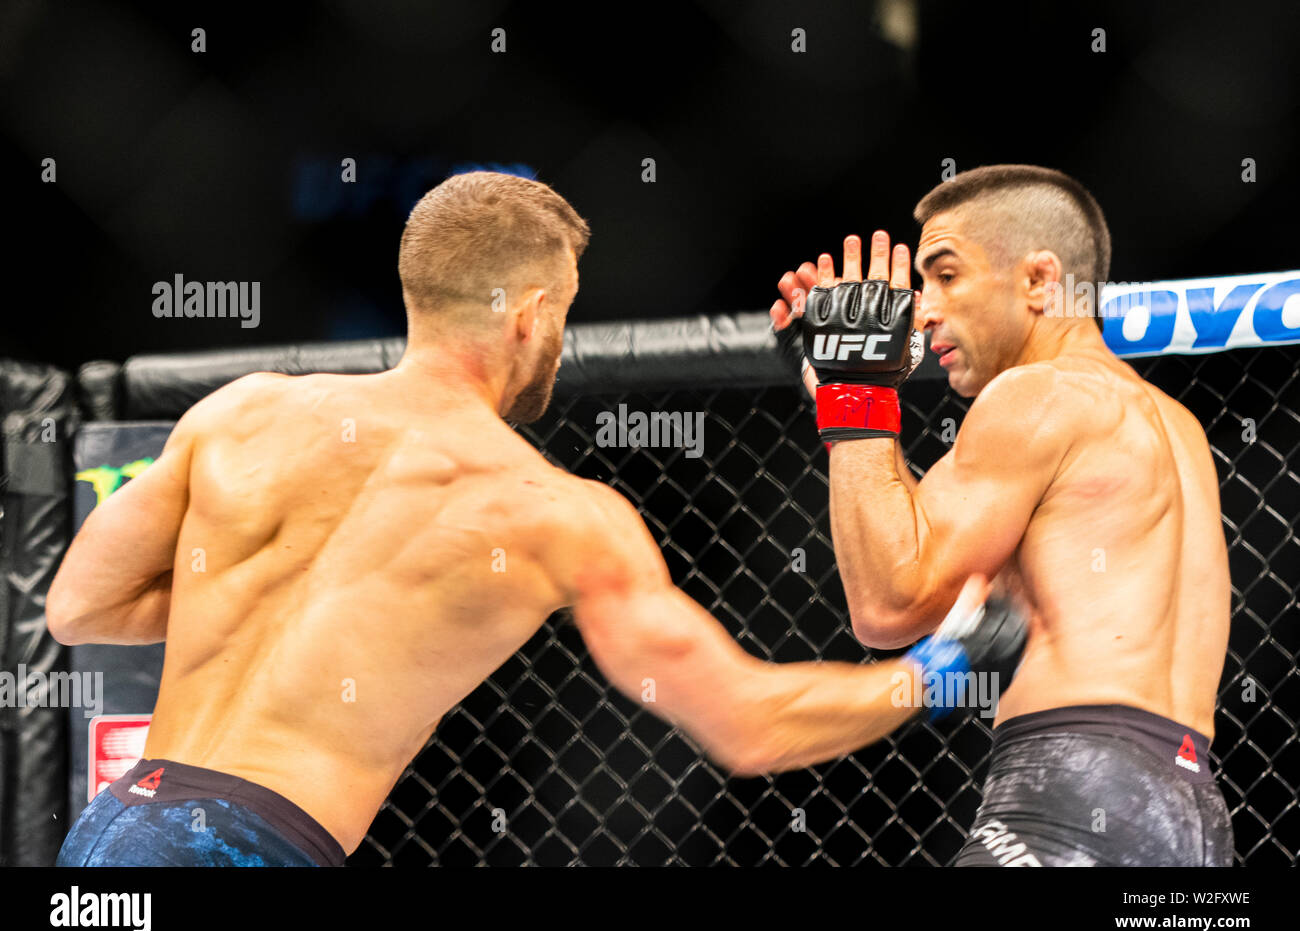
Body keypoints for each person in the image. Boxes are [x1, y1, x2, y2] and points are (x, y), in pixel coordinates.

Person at [49, 171, 1022, 867]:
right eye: (563, 314)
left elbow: (78, 606)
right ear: (530, 315)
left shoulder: (239, 412)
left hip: (110, 832)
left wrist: (266, 608)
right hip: (255, 844)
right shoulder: (550, 511)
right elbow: (744, 723)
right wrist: (934, 673)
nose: (558, 344)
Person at [771, 164, 1234, 866]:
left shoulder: (1035, 395)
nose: (922, 311)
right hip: (1188, 809)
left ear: (1040, 281)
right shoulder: (1176, 426)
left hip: (1068, 796)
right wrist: (845, 389)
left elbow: (891, 603)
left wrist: (854, 397)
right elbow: (924, 548)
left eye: (946, 276)